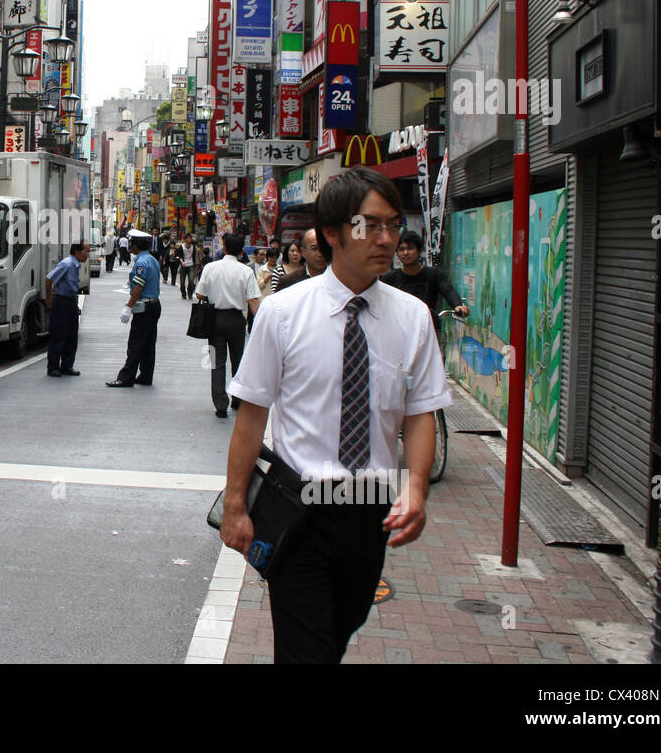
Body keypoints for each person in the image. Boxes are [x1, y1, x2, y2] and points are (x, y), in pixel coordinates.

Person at [221, 167, 450, 664]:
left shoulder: (412, 317)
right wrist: (236, 505)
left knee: (339, 633)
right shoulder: (282, 313)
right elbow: (252, 415)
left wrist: (417, 489)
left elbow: (421, 412)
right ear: (332, 234)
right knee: (306, 652)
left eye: (393, 225)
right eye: (370, 225)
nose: (387, 238)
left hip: (369, 514)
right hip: (297, 508)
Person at [194, 233, 261, 418]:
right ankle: (237, 398)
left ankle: (220, 404)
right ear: (241, 251)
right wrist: (263, 324)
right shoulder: (246, 271)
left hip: (214, 320)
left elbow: (199, 294)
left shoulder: (210, 267)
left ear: (223, 247)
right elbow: (253, 300)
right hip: (237, 321)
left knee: (216, 362)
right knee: (239, 360)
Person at [379, 229, 469, 333]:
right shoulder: (389, 278)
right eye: (401, 249)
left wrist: (458, 306)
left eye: (410, 248)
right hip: (399, 329)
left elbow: (448, 290)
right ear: (397, 253)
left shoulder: (434, 274)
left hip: (428, 327)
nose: (406, 253)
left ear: (419, 251)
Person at [107, 229, 162, 387]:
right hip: (154, 305)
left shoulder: (141, 262)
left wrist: (128, 307)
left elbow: (139, 287)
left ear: (137, 245)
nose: (129, 245)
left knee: (136, 343)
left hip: (144, 306)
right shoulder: (151, 259)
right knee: (148, 343)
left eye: (131, 242)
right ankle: (145, 375)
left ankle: (126, 377)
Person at [44, 242, 88, 377]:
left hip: (70, 301)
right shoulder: (67, 264)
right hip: (62, 301)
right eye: (85, 251)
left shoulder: (75, 265)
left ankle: (67, 365)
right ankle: (53, 367)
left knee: (72, 335)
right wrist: (48, 299)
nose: (86, 255)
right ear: (76, 251)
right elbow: (49, 279)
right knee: (59, 334)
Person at [176, 234, 198, 299]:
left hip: (191, 265)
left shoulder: (193, 247)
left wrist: (197, 266)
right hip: (183, 266)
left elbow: (195, 256)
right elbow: (179, 255)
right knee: (182, 282)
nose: (189, 240)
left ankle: (190, 293)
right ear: (185, 239)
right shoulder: (181, 247)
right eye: (188, 238)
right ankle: (183, 294)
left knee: (191, 281)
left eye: (190, 238)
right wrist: (182, 262)